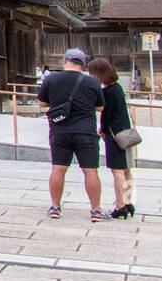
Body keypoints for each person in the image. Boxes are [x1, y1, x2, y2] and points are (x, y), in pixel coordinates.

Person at [37, 48, 106, 222]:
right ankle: (95, 210)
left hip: (60, 131)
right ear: (83, 64)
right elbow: (100, 107)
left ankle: (55, 207)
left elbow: (42, 103)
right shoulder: (92, 82)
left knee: (58, 169)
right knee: (90, 171)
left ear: (65, 60)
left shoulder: (51, 79)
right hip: (85, 131)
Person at [89, 57, 135, 219]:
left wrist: (102, 129)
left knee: (117, 171)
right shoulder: (118, 88)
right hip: (126, 132)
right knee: (127, 170)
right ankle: (128, 202)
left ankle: (120, 205)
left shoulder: (107, 92)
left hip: (114, 134)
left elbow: (106, 114)